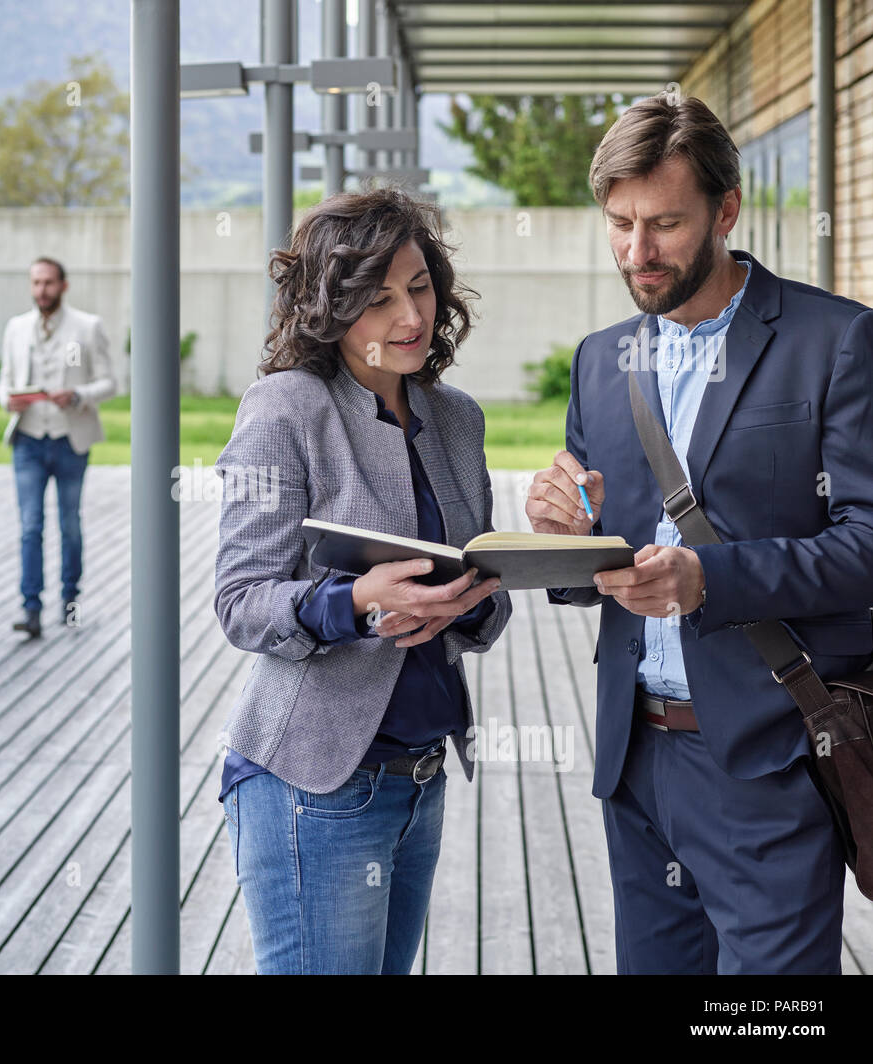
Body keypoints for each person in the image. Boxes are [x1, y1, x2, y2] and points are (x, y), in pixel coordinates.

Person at [528, 94, 873, 974]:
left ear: (726, 210)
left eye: (666, 224)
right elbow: (591, 570)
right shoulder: (601, 361)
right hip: (633, 759)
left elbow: (868, 545)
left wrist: (708, 581)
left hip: (768, 762)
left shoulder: (834, 341)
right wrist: (561, 532)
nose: (637, 254)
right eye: (620, 224)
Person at [214, 188, 512, 975]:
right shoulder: (284, 410)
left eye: (418, 286)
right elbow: (240, 603)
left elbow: (482, 584)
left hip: (421, 779)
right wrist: (357, 602)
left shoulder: (457, 419)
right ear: (330, 309)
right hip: (314, 787)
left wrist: (472, 601)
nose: (409, 316)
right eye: (377, 300)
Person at [0, 257, 115, 638]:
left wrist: (78, 394)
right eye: (35, 282)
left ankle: (70, 601)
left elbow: (110, 382)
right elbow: (4, 382)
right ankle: (30, 608)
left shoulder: (87, 326)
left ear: (63, 285)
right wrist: (7, 400)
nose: (41, 290)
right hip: (28, 439)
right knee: (30, 526)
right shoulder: (15, 327)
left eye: (48, 282)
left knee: (70, 525)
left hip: (70, 440)